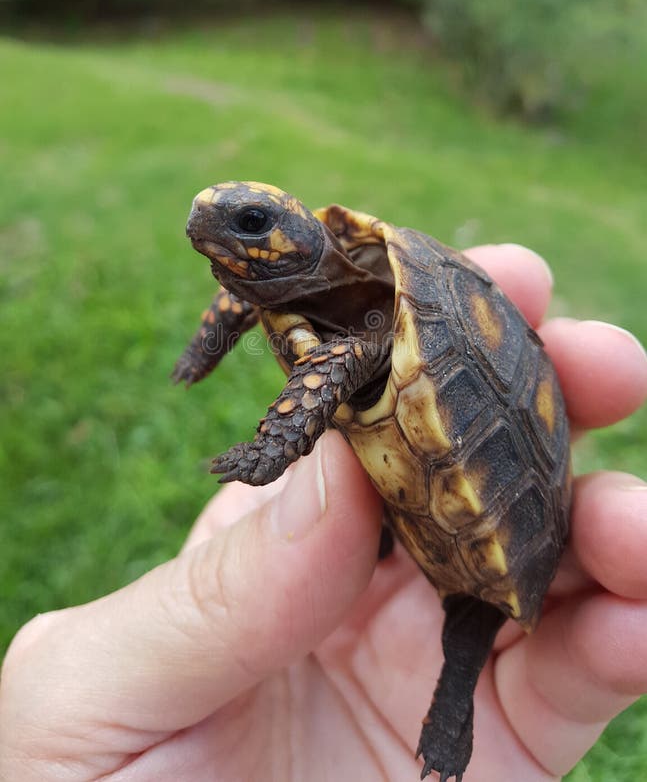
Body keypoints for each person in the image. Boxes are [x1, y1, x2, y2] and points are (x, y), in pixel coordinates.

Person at [1, 244, 646, 782]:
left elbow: (345, 357)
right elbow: (254, 288)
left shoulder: (363, 331)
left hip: (487, 500)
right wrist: (210, 343)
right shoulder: (285, 286)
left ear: (297, 240)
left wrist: (271, 448)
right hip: (389, 498)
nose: (221, 234)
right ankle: (382, 551)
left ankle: (451, 722)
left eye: (252, 226)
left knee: (470, 618)